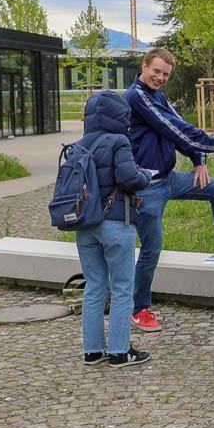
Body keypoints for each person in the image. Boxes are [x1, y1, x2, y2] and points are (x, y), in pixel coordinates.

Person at [125, 47, 214, 333]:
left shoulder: (158, 95)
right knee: (152, 249)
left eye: (166, 74)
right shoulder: (136, 97)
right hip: (148, 188)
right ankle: (139, 308)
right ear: (145, 66)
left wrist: (199, 160)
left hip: (169, 178)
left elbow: (177, 128)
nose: (160, 77)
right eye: (157, 71)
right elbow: (173, 128)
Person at [73, 90, 152, 368]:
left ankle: (93, 351)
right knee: (121, 288)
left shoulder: (80, 144)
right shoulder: (119, 141)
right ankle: (120, 352)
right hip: (116, 221)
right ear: (119, 115)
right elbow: (129, 178)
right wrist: (145, 175)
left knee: (94, 287)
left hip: (84, 226)